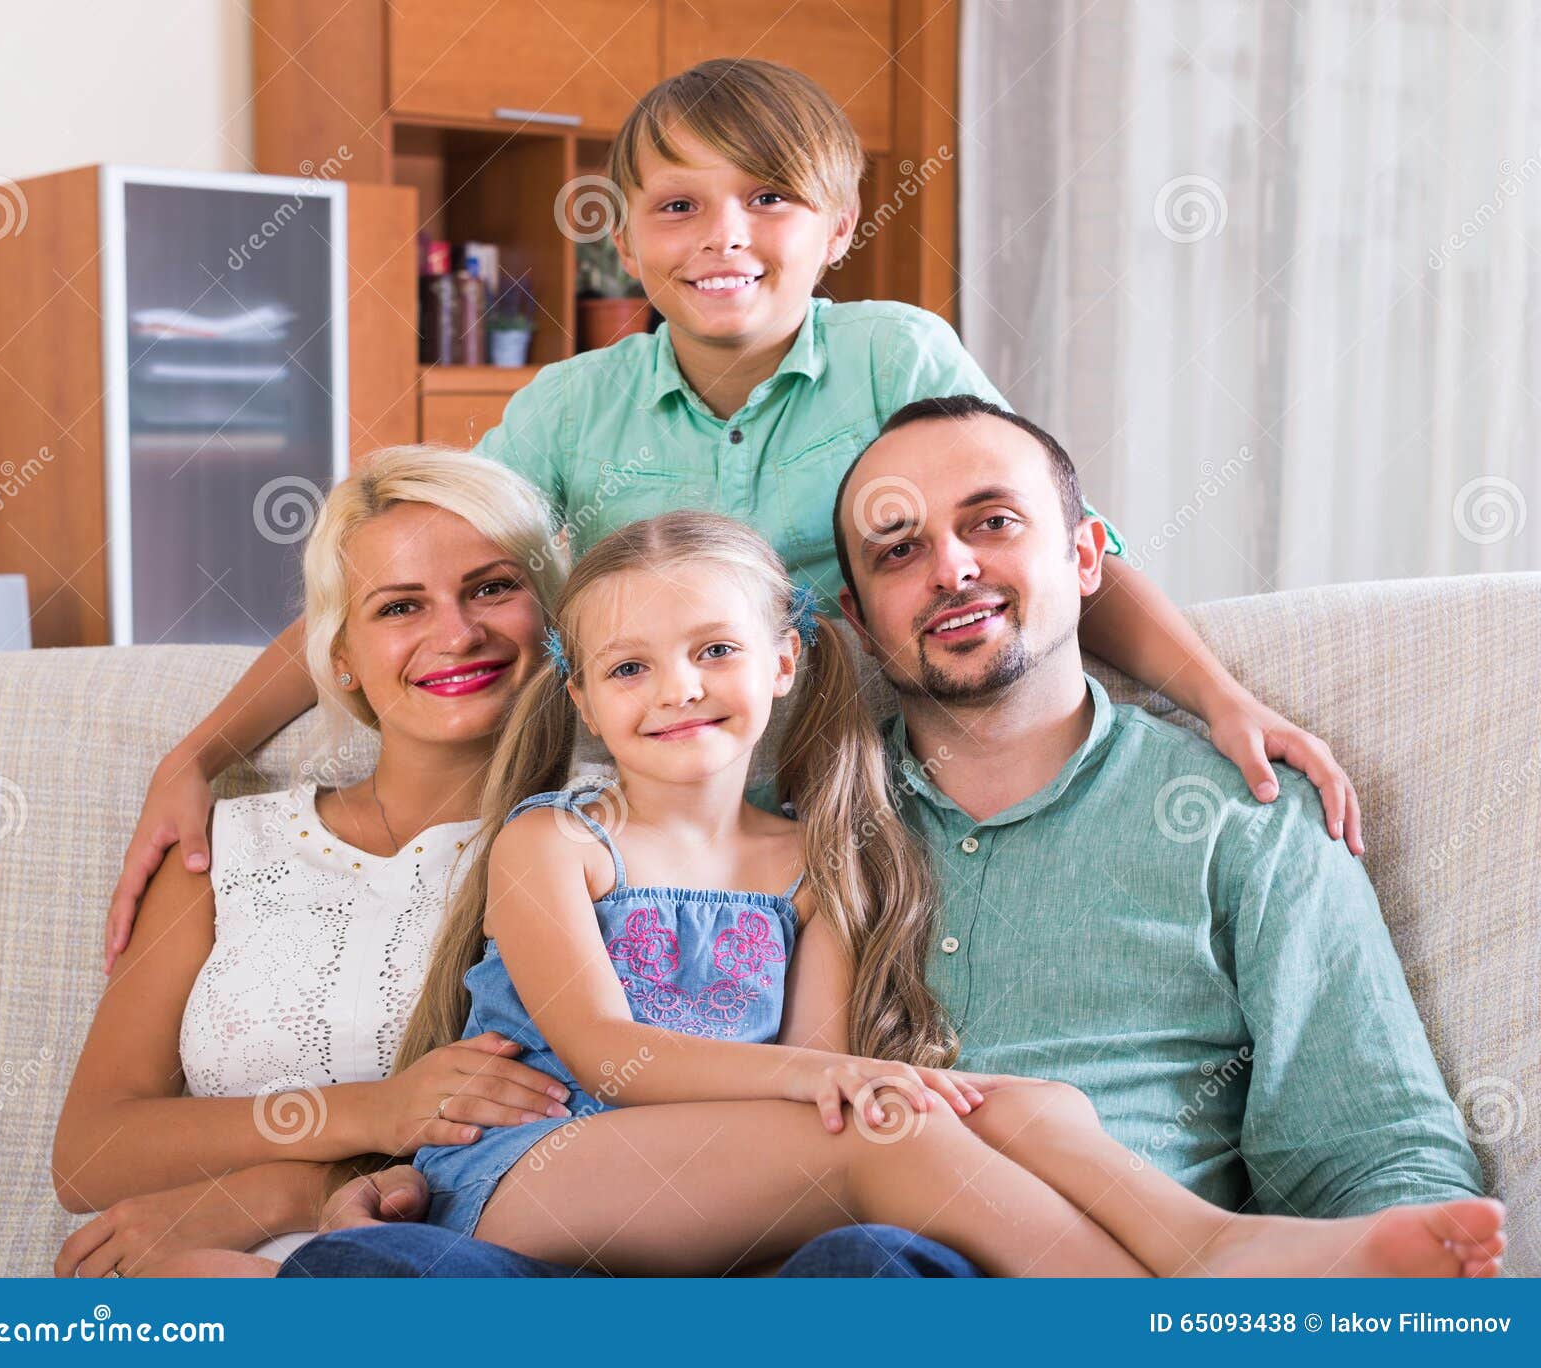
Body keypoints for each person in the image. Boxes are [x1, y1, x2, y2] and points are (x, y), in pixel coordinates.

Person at [102, 59, 1360, 976]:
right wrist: (200, 753)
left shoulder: (895, 357)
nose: (723, 238)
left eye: (768, 198)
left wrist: (1217, 699)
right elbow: (403, 581)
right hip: (656, 830)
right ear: (624, 235)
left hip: (868, 805)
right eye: (678, 206)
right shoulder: (568, 410)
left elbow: (1055, 548)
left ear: (838, 227)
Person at [155, 510, 1501, 1278]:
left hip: (721, 1170)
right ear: (583, 698)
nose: (677, 690)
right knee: (882, 1138)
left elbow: (821, 1063)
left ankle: (1216, 1245)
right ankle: (1152, 1316)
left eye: (713, 650)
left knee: (1035, 1106)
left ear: (788, 665)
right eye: (628, 670)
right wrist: (840, 1088)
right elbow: (613, 1056)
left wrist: (849, 1083)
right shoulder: (556, 843)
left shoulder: (813, 860)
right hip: (533, 1166)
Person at [829, 395, 1498, 1225]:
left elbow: (1379, 1157)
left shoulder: (1245, 817)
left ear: (1085, 557)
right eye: (899, 551)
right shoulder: (802, 835)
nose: (952, 570)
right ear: (860, 621)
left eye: (994, 522)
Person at [50, 449, 573, 1274]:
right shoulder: (221, 846)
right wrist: (372, 1117)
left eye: (492, 588)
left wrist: (282, 1194)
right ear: (337, 657)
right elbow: (90, 1153)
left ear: (553, 615)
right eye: (400, 606)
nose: (456, 633)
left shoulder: (592, 847)